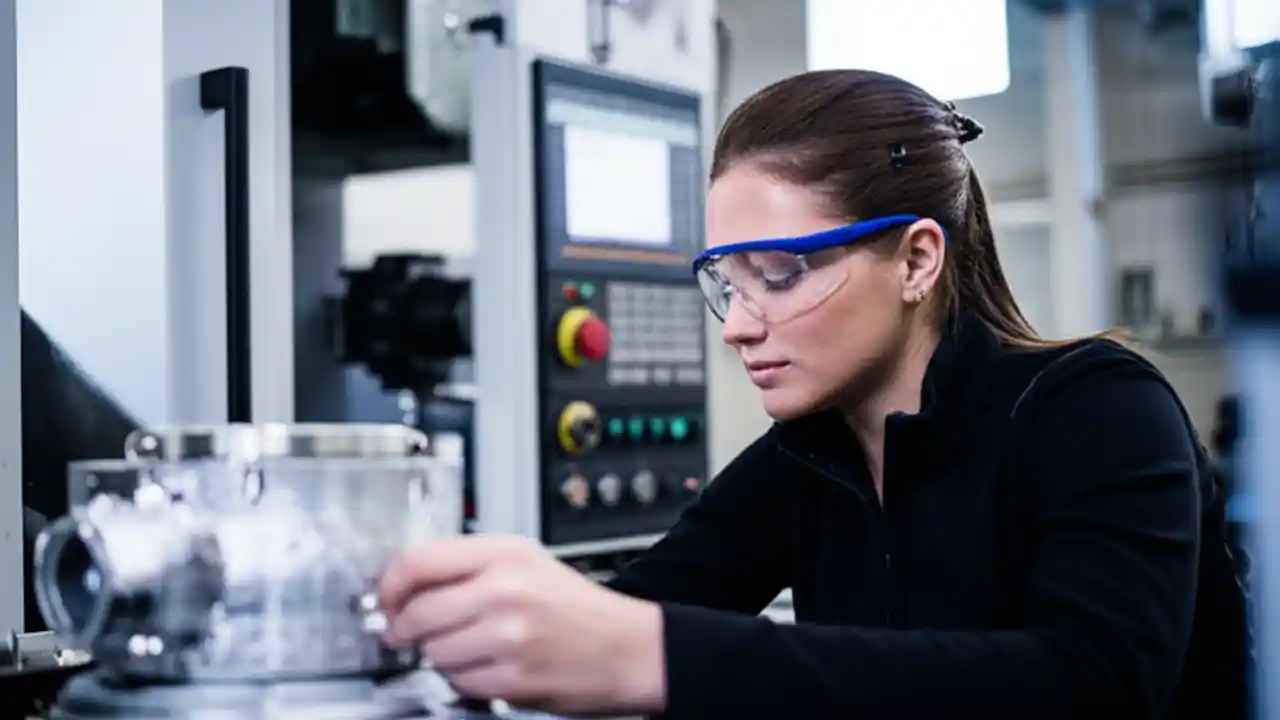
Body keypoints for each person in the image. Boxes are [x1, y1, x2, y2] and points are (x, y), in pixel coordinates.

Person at [377, 69, 1249, 718]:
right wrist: (470, 615)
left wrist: (657, 657)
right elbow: (634, 610)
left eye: (782, 275)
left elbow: (1088, 684)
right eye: (727, 281)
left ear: (916, 259)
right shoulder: (810, 456)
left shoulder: (1096, 410)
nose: (737, 326)